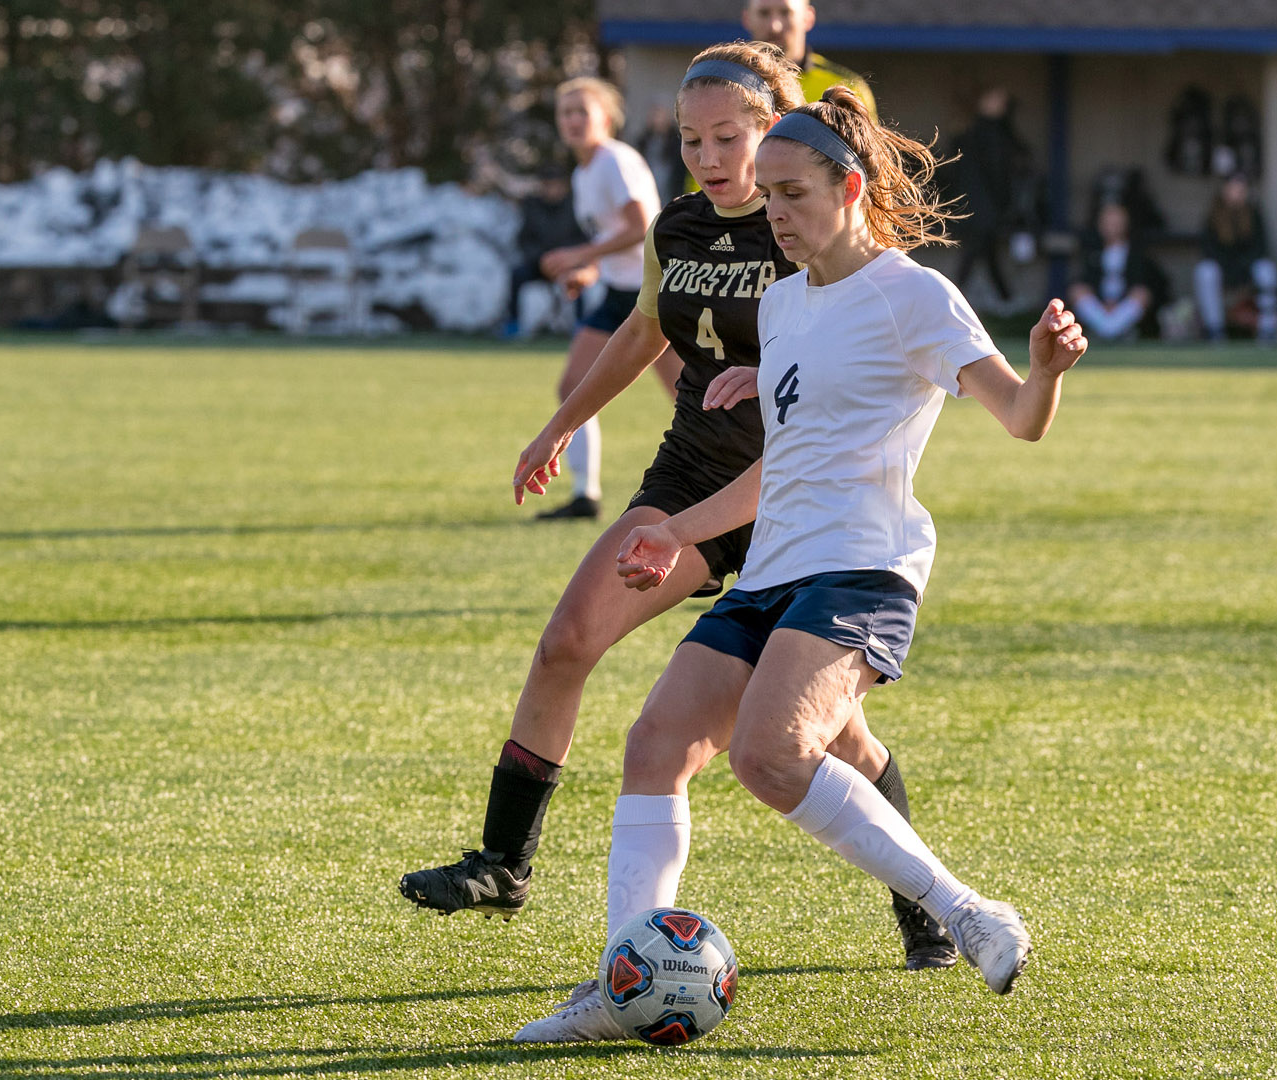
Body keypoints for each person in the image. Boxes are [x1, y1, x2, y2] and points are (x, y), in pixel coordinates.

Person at [512, 86, 1087, 1043]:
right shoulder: (780, 306)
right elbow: (785, 467)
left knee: (770, 754)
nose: (772, 214)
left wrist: (1049, 371)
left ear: (849, 187)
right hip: (777, 566)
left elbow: (1021, 420)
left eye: (791, 194)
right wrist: (680, 533)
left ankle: (968, 910)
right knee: (654, 746)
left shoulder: (915, 295)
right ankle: (624, 985)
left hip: (864, 567)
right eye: (767, 197)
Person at [399, 43, 957, 972]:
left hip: (799, 501)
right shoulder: (681, 228)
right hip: (691, 481)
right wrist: (560, 427)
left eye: (726, 136)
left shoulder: (818, 234)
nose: (705, 155)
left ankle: (926, 904)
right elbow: (641, 330)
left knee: (836, 737)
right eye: (690, 138)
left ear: (779, 127)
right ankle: (504, 862)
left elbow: (876, 348)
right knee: (568, 639)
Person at [533, 77, 680, 521]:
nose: (574, 120)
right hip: (621, 293)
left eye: (583, 111)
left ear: (606, 117)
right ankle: (585, 495)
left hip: (653, 293)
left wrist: (580, 254)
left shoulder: (616, 159)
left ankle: (741, 490)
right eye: (566, 112)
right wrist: (589, 270)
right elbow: (614, 238)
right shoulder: (584, 171)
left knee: (692, 398)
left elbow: (642, 228)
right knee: (573, 386)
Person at [949, 87, 1029, 308]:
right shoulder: (975, 132)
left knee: (986, 253)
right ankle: (953, 299)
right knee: (975, 252)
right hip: (978, 205)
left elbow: (1017, 160)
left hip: (991, 206)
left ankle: (1005, 299)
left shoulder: (1002, 131)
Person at [741, 0, 876, 117]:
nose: (775, 26)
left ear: (807, 17)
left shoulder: (848, 88)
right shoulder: (730, 85)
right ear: (747, 19)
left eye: (785, 12)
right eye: (764, 13)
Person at [1193, 173, 1277, 342]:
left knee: (1267, 269)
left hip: (1247, 269)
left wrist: (1242, 267)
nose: (1237, 194)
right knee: (1205, 271)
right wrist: (1229, 269)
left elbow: (1261, 248)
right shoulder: (1213, 216)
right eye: (1233, 189)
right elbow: (1208, 249)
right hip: (1223, 269)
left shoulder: (1254, 214)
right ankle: (1215, 328)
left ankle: (1268, 328)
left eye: (1241, 190)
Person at [502, 169, 586, 339]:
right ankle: (513, 324)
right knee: (516, 276)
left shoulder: (575, 206)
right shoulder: (532, 207)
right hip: (538, 263)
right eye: (548, 186)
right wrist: (541, 259)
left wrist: (565, 258)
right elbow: (524, 239)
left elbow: (581, 238)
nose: (552, 190)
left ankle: (581, 326)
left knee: (578, 280)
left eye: (556, 186)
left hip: (567, 263)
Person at [1069, 202, 1166, 342]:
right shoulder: (1092, 249)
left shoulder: (1136, 251)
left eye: (1116, 223)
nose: (1111, 227)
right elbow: (1086, 279)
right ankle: (1107, 330)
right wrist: (1102, 301)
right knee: (1077, 291)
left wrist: (1118, 302)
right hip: (1100, 303)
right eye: (1107, 223)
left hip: (1123, 301)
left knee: (1142, 294)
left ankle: (1111, 331)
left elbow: (1141, 281)